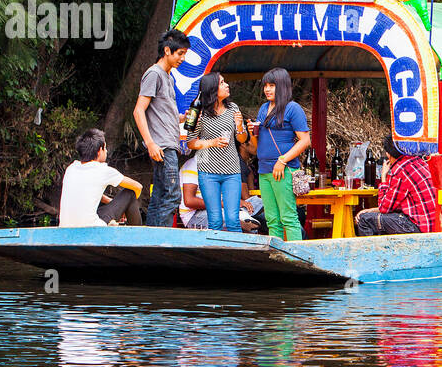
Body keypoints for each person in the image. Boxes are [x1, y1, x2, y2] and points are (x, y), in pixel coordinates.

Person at [132, 29, 190, 227]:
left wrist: (182, 118)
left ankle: (151, 240)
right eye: (180, 53)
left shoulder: (168, 77)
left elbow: (161, 111)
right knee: (172, 196)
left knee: (159, 196)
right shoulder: (154, 74)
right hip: (162, 146)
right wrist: (150, 143)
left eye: (184, 54)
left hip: (167, 143)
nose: (182, 58)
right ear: (167, 51)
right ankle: (160, 240)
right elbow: (138, 111)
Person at [247, 67, 310, 240]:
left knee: (288, 217)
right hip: (264, 169)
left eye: (272, 85)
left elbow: (305, 141)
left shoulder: (292, 108)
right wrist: (252, 132)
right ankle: (277, 258)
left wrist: (282, 160)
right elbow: (256, 146)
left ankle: (296, 258)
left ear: (282, 86)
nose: (267, 89)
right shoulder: (263, 108)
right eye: (265, 85)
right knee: (272, 219)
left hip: (283, 169)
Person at [188, 72, 247, 232]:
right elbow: (191, 143)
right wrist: (212, 143)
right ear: (212, 89)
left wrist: (240, 126)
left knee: (233, 220)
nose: (227, 85)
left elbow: (242, 139)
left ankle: (238, 255)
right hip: (208, 172)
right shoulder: (200, 112)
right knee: (214, 221)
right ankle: (217, 255)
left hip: (232, 171)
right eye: (222, 83)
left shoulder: (232, 108)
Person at [58, 129, 143, 226]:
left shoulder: (71, 168)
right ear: (99, 151)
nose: (106, 151)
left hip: (66, 227)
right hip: (91, 228)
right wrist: (128, 207)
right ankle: (137, 235)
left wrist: (115, 203)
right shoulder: (103, 170)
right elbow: (138, 187)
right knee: (130, 193)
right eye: (105, 148)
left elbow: (85, 191)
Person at [355, 136, 437, 235]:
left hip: (419, 227)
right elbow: (395, 205)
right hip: (433, 225)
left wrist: (383, 177)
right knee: (378, 218)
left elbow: (384, 208)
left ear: (388, 155)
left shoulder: (400, 170)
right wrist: (371, 210)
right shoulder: (419, 161)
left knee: (364, 220)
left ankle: (373, 251)